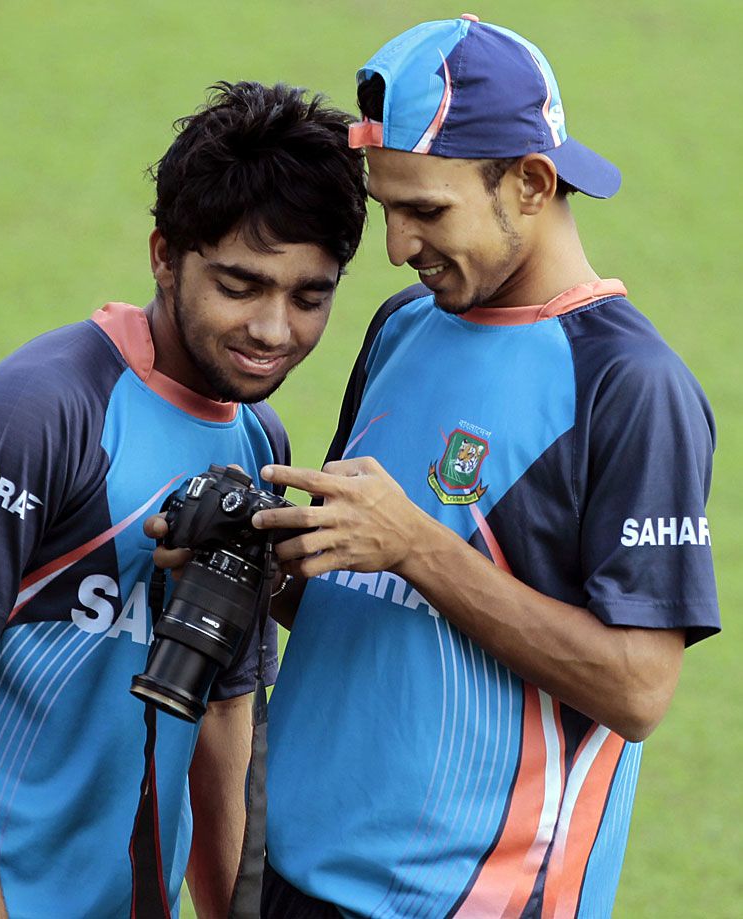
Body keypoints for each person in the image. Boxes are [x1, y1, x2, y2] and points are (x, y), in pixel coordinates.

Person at [0, 81, 366, 919]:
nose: (274, 330)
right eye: (241, 285)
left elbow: (225, 718)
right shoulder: (42, 410)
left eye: (310, 296)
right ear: (166, 255)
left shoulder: (259, 444)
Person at [253, 16, 720, 918]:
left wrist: (417, 548)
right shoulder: (402, 325)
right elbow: (363, 604)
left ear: (532, 184)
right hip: (289, 875)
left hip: (459, 902)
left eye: (427, 211)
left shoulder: (629, 386)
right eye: (388, 207)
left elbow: (638, 687)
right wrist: (265, 561)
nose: (397, 245)